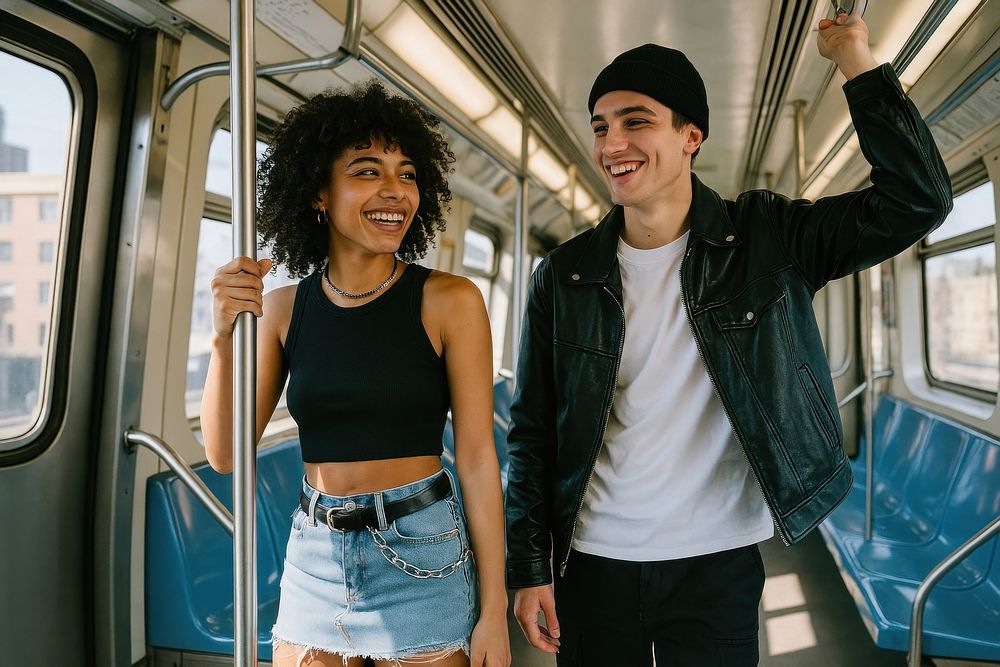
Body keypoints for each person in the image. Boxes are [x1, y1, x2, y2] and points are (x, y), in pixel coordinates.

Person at [505, 11, 951, 667]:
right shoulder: (564, 274)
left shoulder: (768, 240)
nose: (611, 144)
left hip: (716, 559)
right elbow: (533, 429)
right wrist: (528, 565)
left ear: (692, 135)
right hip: (593, 560)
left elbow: (919, 199)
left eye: (636, 121)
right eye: (601, 126)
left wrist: (855, 61)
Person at [201, 81, 510, 667]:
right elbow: (225, 454)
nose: (395, 191)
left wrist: (492, 607)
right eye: (368, 172)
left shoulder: (451, 301)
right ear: (319, 192)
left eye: (408, 173)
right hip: (314, 551)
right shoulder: (284, 310)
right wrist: (223, 338)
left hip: (422, 548)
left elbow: (475, 457)